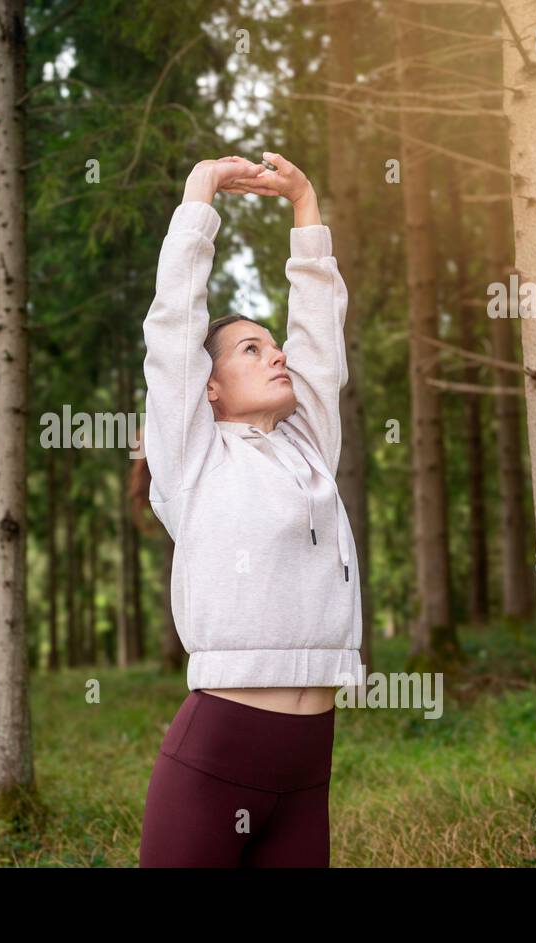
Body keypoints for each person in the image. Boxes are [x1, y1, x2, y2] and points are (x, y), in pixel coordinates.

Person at [135, 152, 363, 867]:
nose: (278, 355)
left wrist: (304, 205)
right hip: (215, 759)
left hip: (307, 767)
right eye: (251, 348)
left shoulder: (307, 447)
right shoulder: (194, 459)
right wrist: (200, 194)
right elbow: (174, 328)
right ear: (208, 388)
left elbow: (322, 342)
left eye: (275, 344)